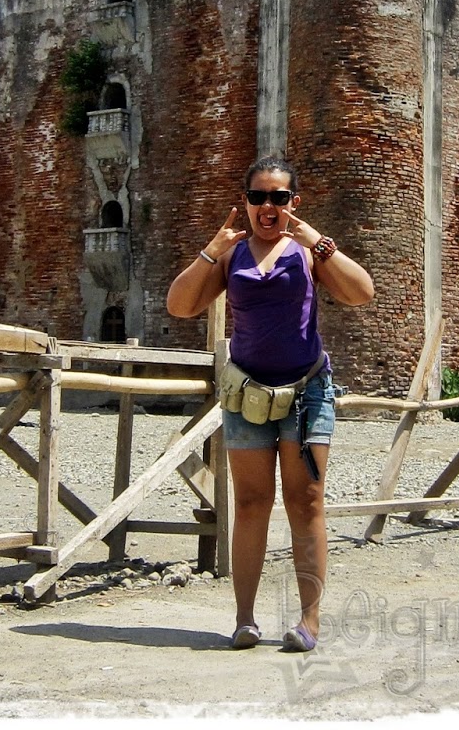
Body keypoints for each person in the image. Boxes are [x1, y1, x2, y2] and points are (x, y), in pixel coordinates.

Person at [166, 154, 374, 652]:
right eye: (258, 196)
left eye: (278, 197)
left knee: (306, 502)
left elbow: (361, 293)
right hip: (247, 394)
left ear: (292, 202)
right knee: (251, 503)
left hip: (307, 393)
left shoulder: (307, 251)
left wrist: (318, 243)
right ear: (245, 201)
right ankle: (244, 619)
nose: (267, 206)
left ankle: (309, 621)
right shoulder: (231, 255)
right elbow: (180, 305)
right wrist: (210, 251)